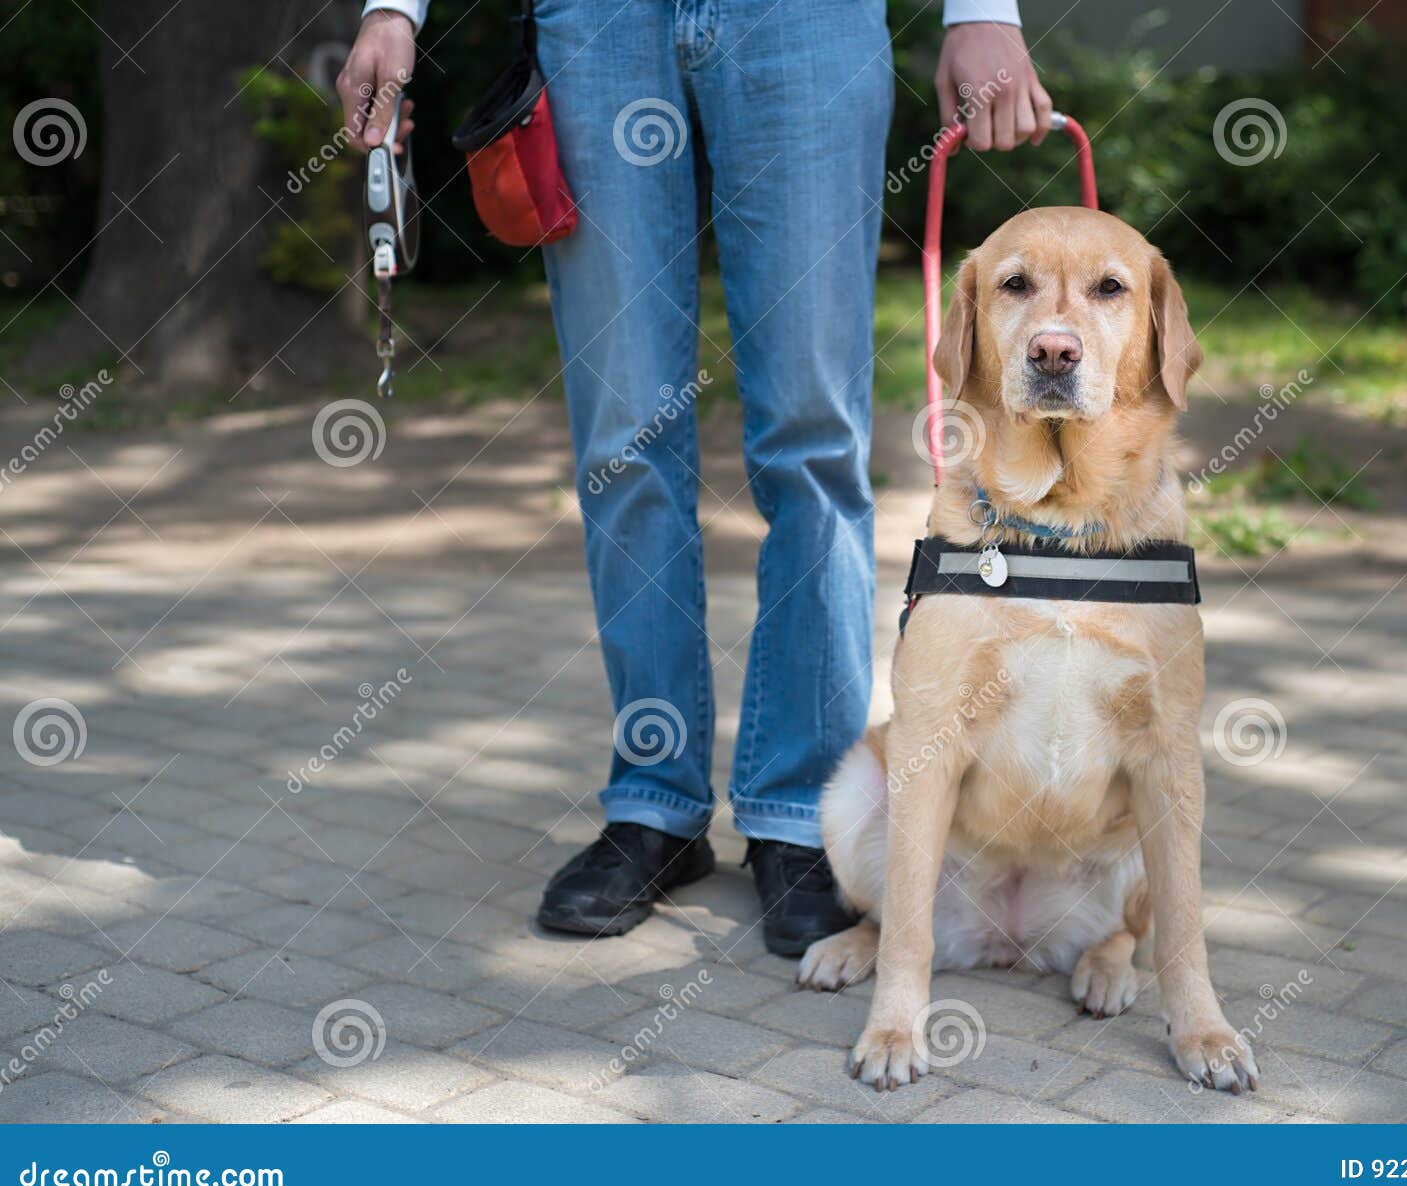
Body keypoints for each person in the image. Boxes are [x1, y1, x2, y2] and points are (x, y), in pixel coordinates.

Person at [338, 0, 1052, 956]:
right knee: (624, 437)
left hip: (805, 22)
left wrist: (980, 10)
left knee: (814, 438)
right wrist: (392, 8)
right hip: (602, 26)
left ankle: (801, 812)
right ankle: (655, 804)